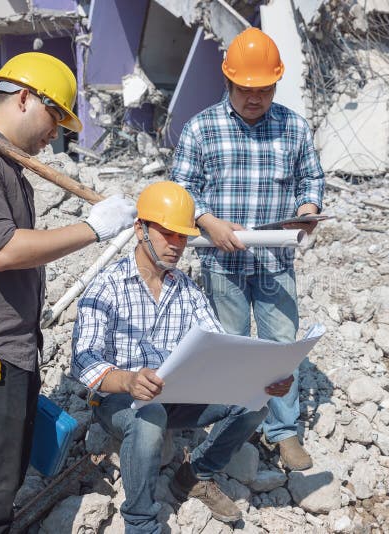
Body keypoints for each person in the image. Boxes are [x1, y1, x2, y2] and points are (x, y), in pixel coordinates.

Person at [0, 52, 137, 532]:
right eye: (55, 117)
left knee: (3, 492)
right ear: (24, 98)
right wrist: (92, 229)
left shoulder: (6, 167)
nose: (55, 134)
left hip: (10, 353)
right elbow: (3, 250)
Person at [71, 181, 294, 533]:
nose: (176, 244)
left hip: (175, 396)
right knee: (149, 417)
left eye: (183, 236)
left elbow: (220, 349)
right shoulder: (107, 285)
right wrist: (128, 380)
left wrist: (262, 380)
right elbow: (83, 358)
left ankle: (195, 475)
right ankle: (141, 523)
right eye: (167, 233)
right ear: (140, 229)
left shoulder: (187, 290)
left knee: (254, 402)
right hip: (118, 399)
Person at [171, 28, 325, 471]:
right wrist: (208, 221)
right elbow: (182, 187)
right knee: (232, 347)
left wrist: (308, 208)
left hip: (276, 260)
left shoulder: (293, 127)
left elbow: (310, 178)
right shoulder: (201, 128)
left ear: (276, 83)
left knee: (280, 345)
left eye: (264, 90)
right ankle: (234, 426)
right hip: (223, 262)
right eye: (245, 90)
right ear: (228, 81)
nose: (255, 98)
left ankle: (283, 431)